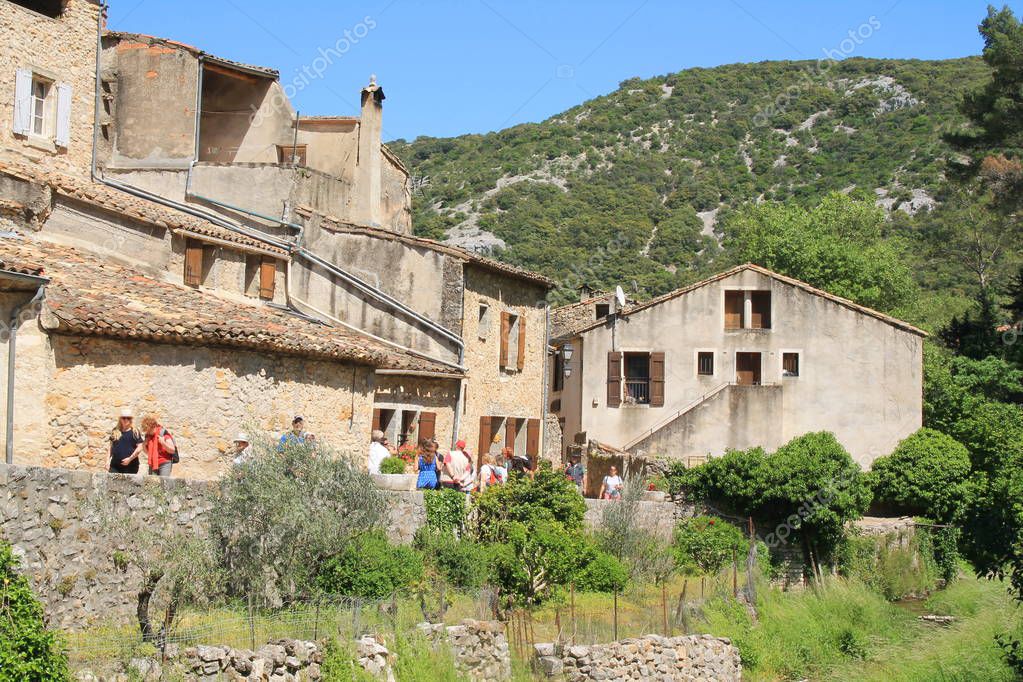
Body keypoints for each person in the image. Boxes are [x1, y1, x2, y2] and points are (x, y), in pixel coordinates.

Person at [108, 408, 144, 474]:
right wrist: (107, 461)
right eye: (124, 418)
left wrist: (130, 459)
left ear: (131, 420)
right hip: (115, 466)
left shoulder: (134, 432)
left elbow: (140, 447)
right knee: (112, 484)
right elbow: (111, 447)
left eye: (128, 418)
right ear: (120, 419)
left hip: (131, 466)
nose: (126, 420)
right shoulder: (115, 431)